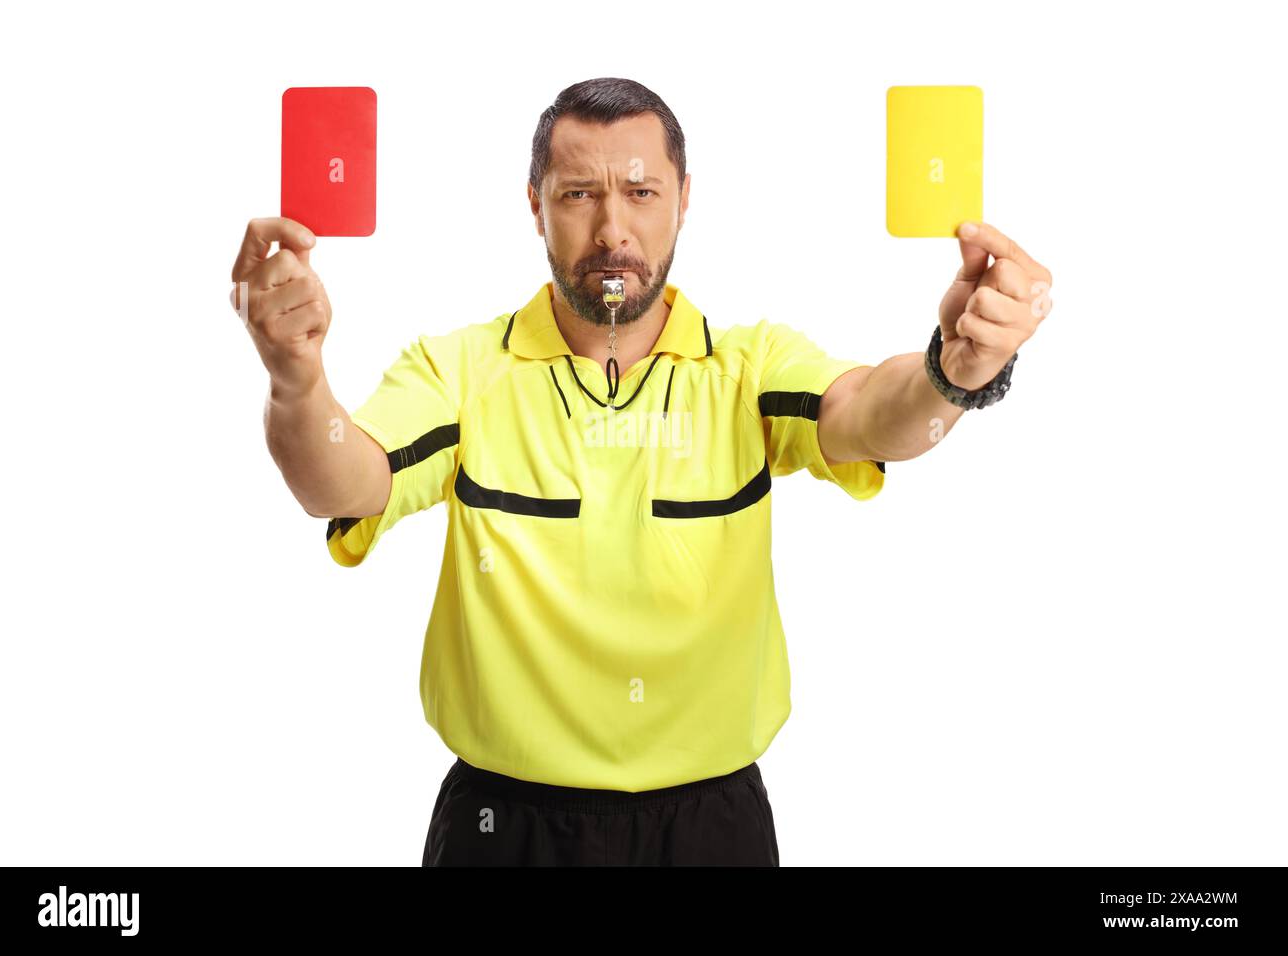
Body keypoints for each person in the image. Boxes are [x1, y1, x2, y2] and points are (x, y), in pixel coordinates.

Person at [229, 77, 1054, 866]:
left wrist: (957, 371)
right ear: (536, 207)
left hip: (711, 827)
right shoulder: (459, 372)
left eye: (642, 193)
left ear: (685, 201)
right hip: (502, 827)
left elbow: (876, 412)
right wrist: (297, 380)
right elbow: (340, 483)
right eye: (579, 194)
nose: (612, 229)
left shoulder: (748, 368)